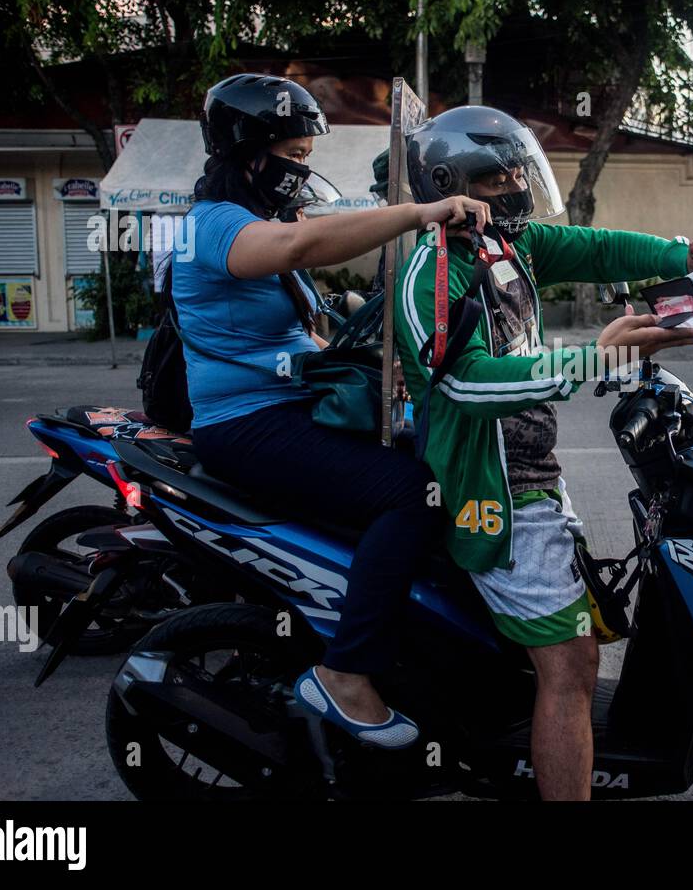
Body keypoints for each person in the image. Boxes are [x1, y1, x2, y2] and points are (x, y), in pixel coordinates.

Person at [394, 105, 693, 799]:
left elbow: (595, 247)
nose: (516, 186)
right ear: (447, 182)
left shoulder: (503, 245)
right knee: (573, 662)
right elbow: (462, 380)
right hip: (493, 491)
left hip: (534, 476)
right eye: (496, 177)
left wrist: (681, 256)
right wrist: (591, 359)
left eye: (519, 170)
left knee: (577, 637)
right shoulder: (436, 272)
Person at [175, 73, 489, 748]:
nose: (301, 169)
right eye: (292, 155)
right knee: (412, 493)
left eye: (307, 156)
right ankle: (346, 671)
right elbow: (301, 246)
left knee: (431, 458)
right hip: (246, 424)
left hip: (292, 402)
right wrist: (418, 213)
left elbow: (297, 328)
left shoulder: (261, 219)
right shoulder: (213, 226)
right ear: (247, 151)